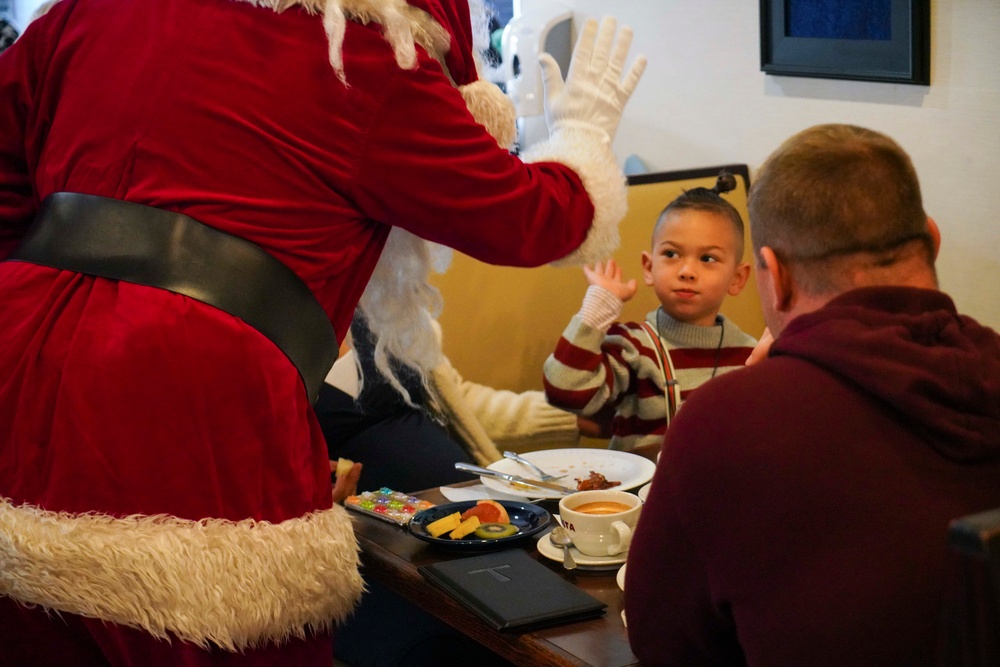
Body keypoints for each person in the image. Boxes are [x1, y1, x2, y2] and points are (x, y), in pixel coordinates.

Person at [0, 0, 647, 663]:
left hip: (15, 359)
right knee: (208, 628)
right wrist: (582, 143)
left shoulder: (88, 11)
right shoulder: (355, 46)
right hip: (191, 392)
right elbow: (527, 219)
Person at [624, 124, 1000, 666]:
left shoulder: (726, 422)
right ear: (931, 240)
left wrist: (748, 397)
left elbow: (665, 646)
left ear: (773, 276)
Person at [543, 171, 758, 456]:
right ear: (648, 267)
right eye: (671, 254)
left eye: (708, 259)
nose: (686, 271)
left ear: (737, 278)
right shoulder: (632, 346)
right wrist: (597, 308)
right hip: (642, 495)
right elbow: (564, 391)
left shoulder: (750, 356)